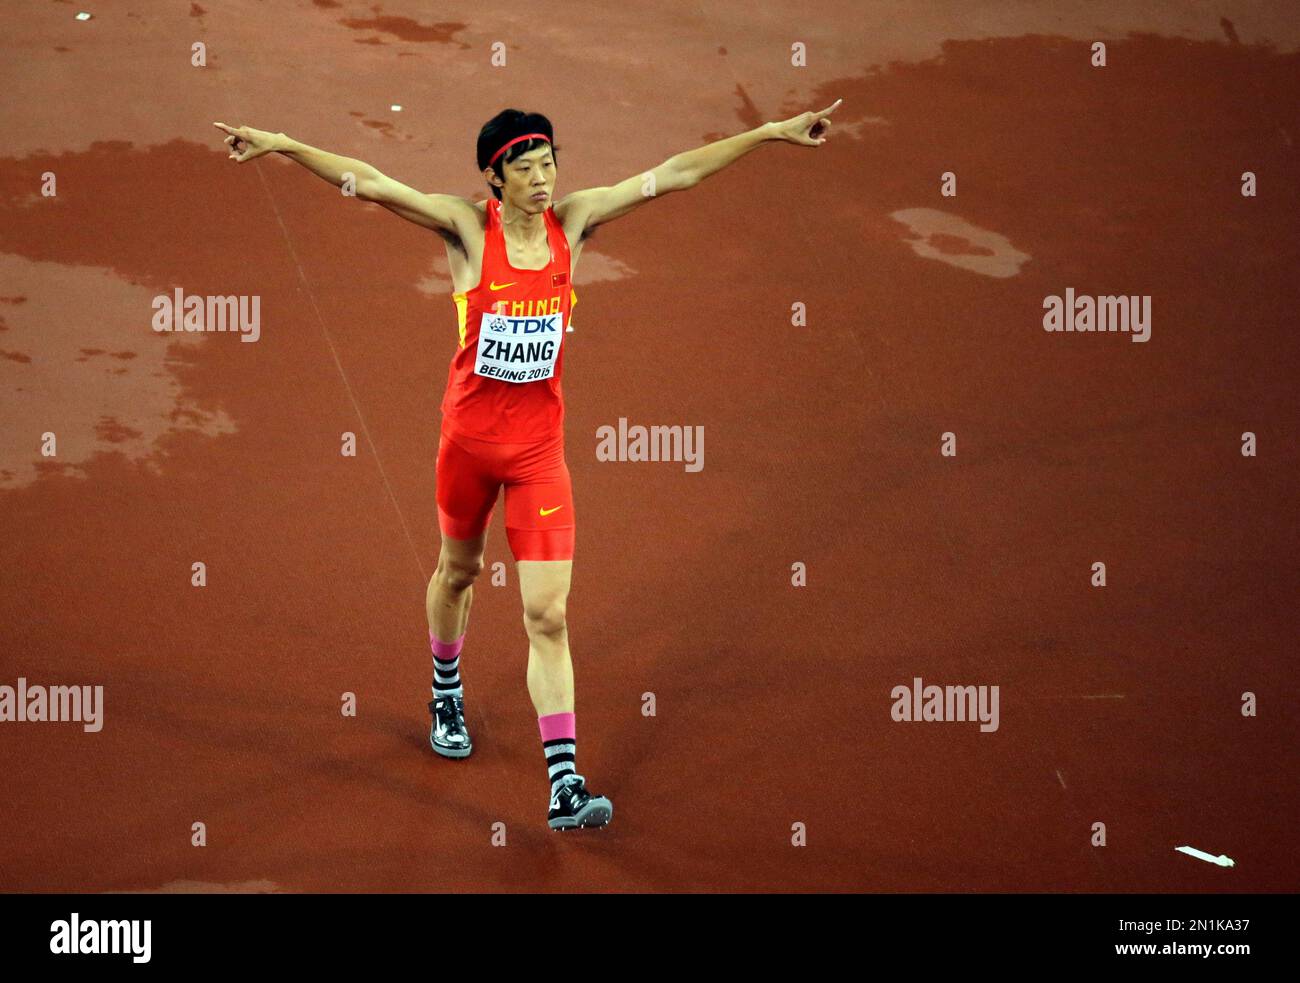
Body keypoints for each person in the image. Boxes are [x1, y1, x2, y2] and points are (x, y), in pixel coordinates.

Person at [213, 99, 841, 830]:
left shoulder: (573, 223)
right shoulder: (466, 229)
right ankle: (446, 685)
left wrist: (768, 133)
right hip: (467, 449)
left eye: (550, 163)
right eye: (528, 167)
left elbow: (672, 176)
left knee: (547, 614)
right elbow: (373, 182)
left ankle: (564, 782)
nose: (545, 179)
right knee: (459, 572)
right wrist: (285, 140)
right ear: (495, 175)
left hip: (540, 456)